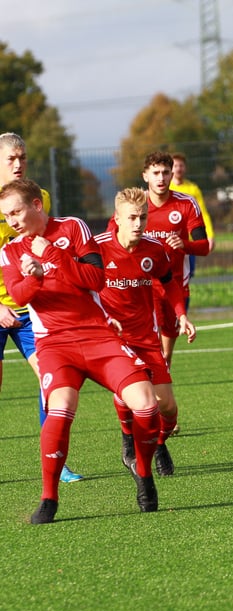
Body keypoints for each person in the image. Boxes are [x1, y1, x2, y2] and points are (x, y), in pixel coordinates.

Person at [0, 179, 162, 524]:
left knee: (148, 405)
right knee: (61, 407)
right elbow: (21, 295)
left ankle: (143, 471)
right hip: (55, 344)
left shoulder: (73, 228)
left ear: (36, 205)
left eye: (16, 212)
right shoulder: (10, 251)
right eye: (6, 216)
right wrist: (37, 276)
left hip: (98, 337)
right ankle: (48, 498)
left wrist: (53, 254)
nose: (11, 221)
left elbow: (95, 279)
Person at [96, 187, 197, 477]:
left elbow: (171, 283)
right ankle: (128, 439)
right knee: (135, 396)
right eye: (132, 218)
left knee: (167, 406)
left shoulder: (154, 249)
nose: (138, 223)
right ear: (116, 218)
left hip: (147, 338)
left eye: (142, 217)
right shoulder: (98, 249)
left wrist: (181, 315)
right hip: (113, 340)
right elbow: (80, 286)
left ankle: (161, 442)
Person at [0, 132, 83, 483]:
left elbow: (42, 245)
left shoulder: (39, 197)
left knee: (50, 381)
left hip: (29, 307)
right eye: (10, 159)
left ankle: (56, 460)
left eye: (23, 158)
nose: (18, 164)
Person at [129, 151, 210, 365]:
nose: (161, 178)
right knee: (150, 352)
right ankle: (141, 395)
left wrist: (185, 245)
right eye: (155, 173)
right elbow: (114, 237)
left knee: (165, 358)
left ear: (172, 174)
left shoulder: (186, 204)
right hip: (143, 284)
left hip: (174, 284)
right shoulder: (134, 205)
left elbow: (203, 247)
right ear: (145, 176)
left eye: (166, 172)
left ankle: (157, 392)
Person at [170, 153, 216, 307]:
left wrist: (209, 235)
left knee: (185, 280)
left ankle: (183, 315)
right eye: (175, 165)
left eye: (181, 165)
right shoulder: (165, 188)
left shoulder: (192, 189)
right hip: (169, 242)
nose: (178, 168)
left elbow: (202, 213)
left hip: (188, 244)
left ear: (185, 168)